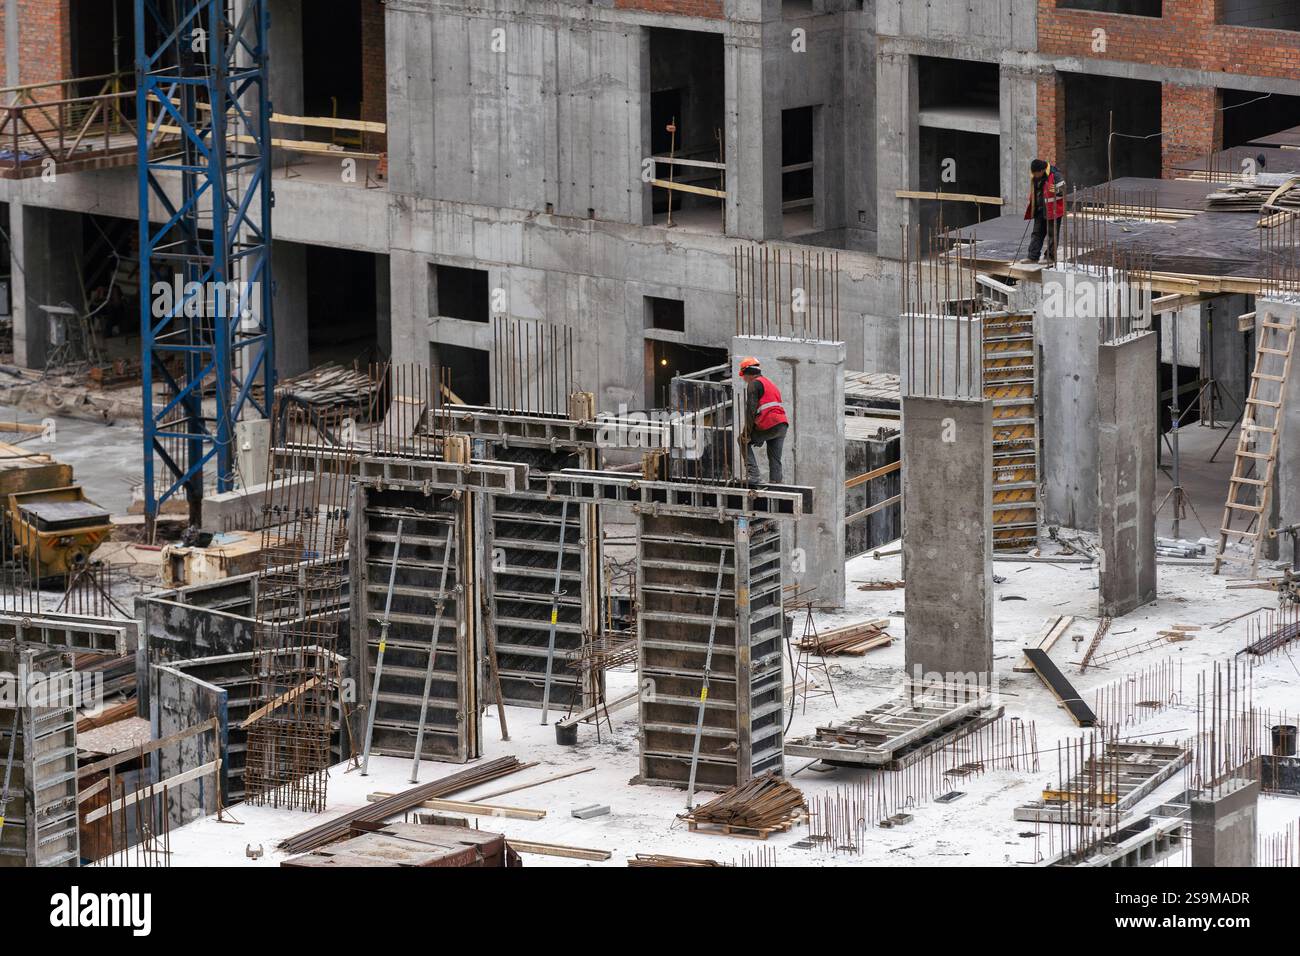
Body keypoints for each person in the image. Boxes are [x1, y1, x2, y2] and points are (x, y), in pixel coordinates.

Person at [738, 356, 788, 485]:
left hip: (769, 423)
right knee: (775, 457)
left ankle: (753, 475)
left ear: (747, 373)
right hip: (781, 425)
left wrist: (747, 434)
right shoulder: (769, 383)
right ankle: (776, 482)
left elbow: (751, 411)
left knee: (742, 440)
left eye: (743, 376)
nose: (743, 379)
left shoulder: (754, 384)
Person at [1024, 158, 1066, 264]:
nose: (1034, 175)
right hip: (1039, 210)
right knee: (1037, 233)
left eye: (1036, 173)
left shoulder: (1054, 174)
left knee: (1052, 234)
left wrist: (1055, 190)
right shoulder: (1035, 176)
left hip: (1053, 210)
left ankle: (1050, 257)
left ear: (1042, 170)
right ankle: (1033, 256)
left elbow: (1064, 190)